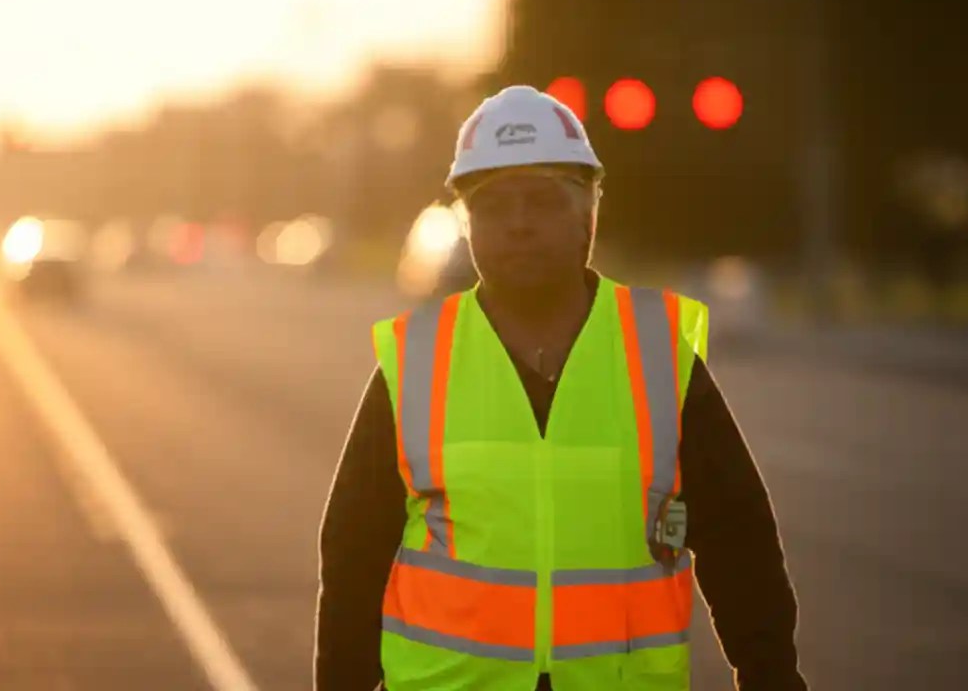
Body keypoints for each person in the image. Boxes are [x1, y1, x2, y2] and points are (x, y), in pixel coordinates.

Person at [315, 86, 807, 691]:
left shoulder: (657, 354)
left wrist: (773, 677)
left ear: (587, 215)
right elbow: (353, 561)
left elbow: (741, 542)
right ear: (467, 224)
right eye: (495, 205)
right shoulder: (416, 361)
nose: (519, 224)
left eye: (541, 200)